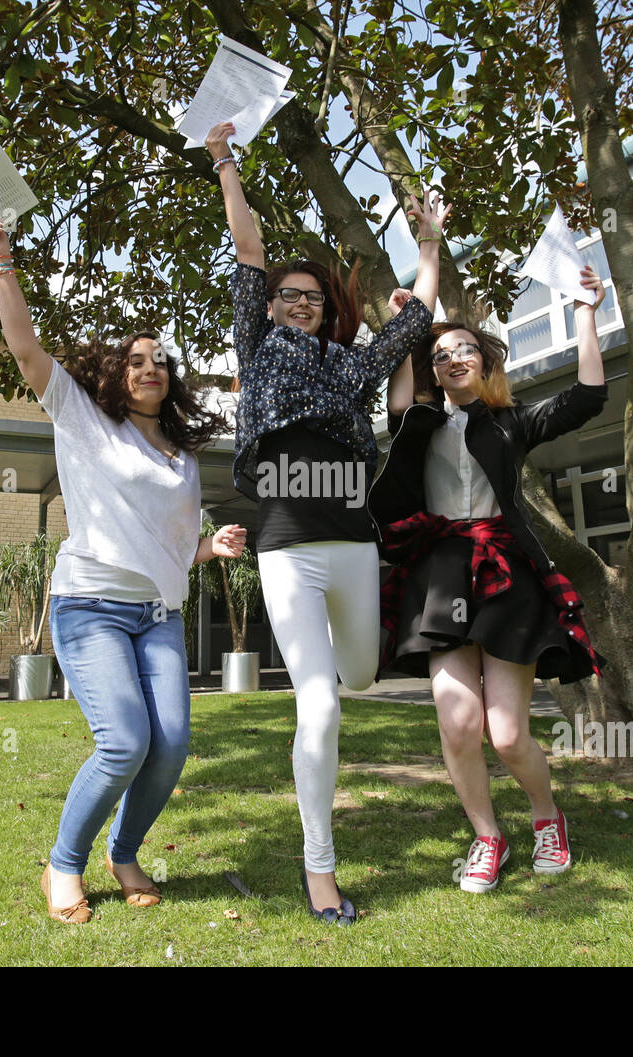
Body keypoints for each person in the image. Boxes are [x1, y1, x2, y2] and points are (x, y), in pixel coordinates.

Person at [0, 210, 247, 924]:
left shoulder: (184, 458)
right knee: (125, 739)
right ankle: (63, 864)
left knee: (173, 743)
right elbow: (26, 349)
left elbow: (167, 547)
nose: (149, 366)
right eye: (135, 359)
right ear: (115, 375)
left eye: (160, 358)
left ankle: (124, 851)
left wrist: (206, 549)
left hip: (159, 615)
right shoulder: (83, 418)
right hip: (91, 607)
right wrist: (4, 261)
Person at [207, 120, 445, 923]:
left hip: (353, 544)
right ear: (269, 305)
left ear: (327, 310)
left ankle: (350, 679)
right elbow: (247, 243)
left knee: (363, 677)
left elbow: (415, 322)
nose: (298, 304)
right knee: (321, 701)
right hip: (286, 545)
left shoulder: (351, 363)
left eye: (311, 296)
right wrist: (225, 163)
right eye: (286, 295)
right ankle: (320, 871)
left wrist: (431, 247)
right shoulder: (256, 343)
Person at [370, 265, 610, 894]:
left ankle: (545, 817)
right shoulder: (416, 421)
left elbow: (587, 397)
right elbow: (400, 396)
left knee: (506, 733)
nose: (453, 358)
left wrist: (585, 312)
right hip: (441, 571)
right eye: (441, 353)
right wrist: (407, 326)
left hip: (505, 572)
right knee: (457, 723)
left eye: (465, 349)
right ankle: (487, 837)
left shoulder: (512, 421)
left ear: (485, 362)